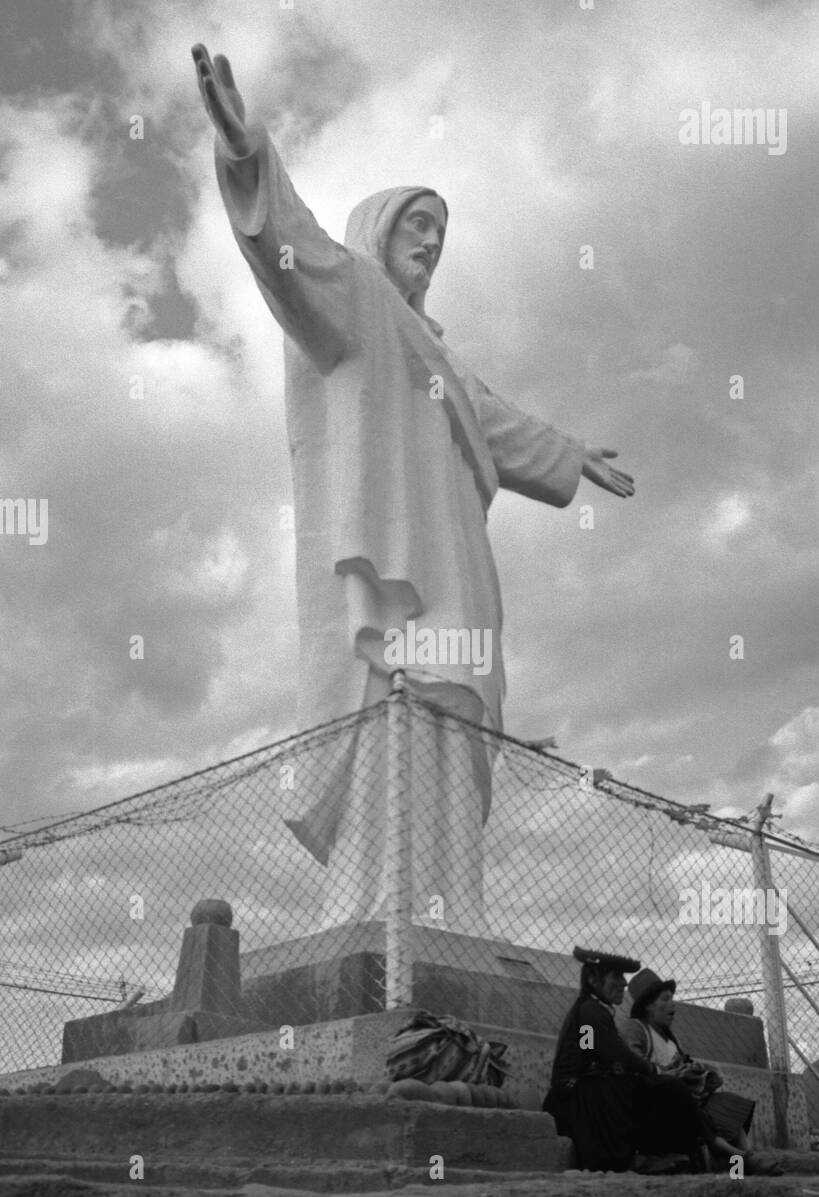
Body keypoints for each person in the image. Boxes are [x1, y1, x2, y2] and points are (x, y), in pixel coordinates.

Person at [191, 47, 635, 930]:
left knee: (458, 704)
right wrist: (248, 161)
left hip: (456, 563)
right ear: (377, 233)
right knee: (394, 704)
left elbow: (497, 421)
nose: (431, 241)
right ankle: (368, 907)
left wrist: (570, 452)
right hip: (392, 565)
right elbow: (290, 252)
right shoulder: (356, 302)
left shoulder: (440, 359)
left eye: (440, 229)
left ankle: (453, 910)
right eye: (416, 225)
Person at [542, 948, 714, 1173]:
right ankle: (649, 1155)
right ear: (594, 979)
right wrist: (657, 1071)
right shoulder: (590, 1012)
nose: (623, 983)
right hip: (577, 1099)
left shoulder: (592, 1010)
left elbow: (603, 1053)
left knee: (652, 1086)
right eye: (616, 976)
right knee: (660, 1087)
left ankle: (674, 1151)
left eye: (623, 977)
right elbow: (617, 1056)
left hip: (586, 1092)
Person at [622, 969, 783, 1176]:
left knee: (729, 1103)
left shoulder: (671, 1037)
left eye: (672, 999)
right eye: (665, 999)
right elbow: (634, 1066)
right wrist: (673, 1073)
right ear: (648, 1005)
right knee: (684, 1097)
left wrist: (700, 1075)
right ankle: (738, 1157)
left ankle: (747, 1155)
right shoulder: (635, 1028)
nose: (673, 1006)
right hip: (658, 1106)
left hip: (687, 1100)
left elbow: (684, 1064)